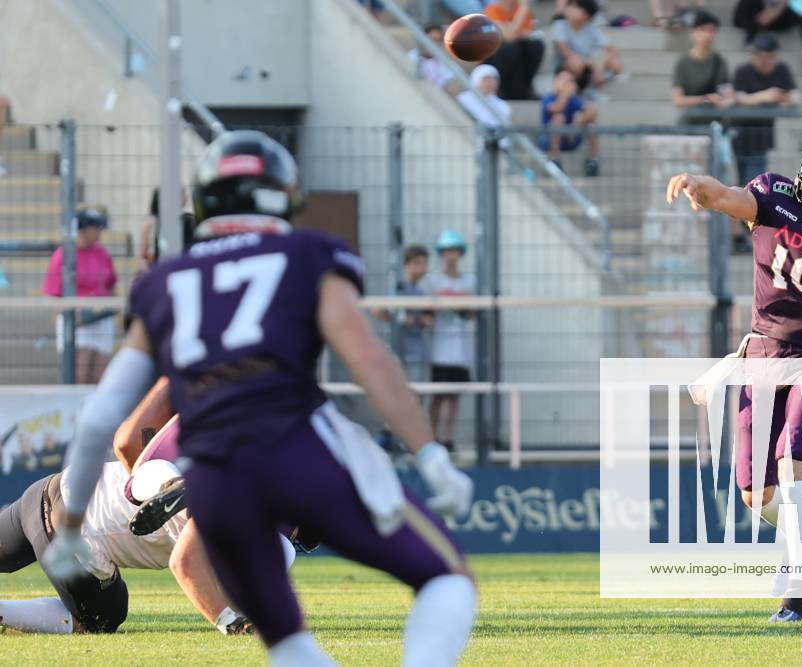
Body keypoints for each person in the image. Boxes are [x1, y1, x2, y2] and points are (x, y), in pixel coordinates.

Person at [43, 130, 476, 666]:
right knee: (448, 578)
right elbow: (368, 359)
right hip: (301, 450)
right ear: (281, 194)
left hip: (216, 478)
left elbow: (103, 418)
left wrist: (69, 525)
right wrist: (431, 454)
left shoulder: (167, 280)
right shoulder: (309, 253)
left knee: (289, 644)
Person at [667, 131, 802, 622]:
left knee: (794, 466)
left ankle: (798, 595)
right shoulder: (773, 195)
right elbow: (725, 196)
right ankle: (800, 529)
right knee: (756, 495)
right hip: (763, 352)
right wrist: (695, 183)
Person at [0, 416, 273, 635]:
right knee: (106, 617)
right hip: (73, 538)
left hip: (52, 490)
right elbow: (184, 563)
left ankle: (167, 485)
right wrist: (228, 620)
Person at [41, 207, 118, 384]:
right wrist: (73, 315)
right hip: (76, 321)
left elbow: (111, 284)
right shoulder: (63, 255)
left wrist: (108, 308)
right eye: (96, 228)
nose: (99, 232)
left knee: (101, 376)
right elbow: (50, 295)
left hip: (100, 319)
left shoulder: (102, 253)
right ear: (83, 229)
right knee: (80, 375)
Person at [422, 230, 477, 452]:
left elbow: (472, 311)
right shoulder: (432, 280)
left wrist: (450, 298)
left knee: (454, 395)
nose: (450, 256)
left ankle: (448, 437)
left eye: (454, 251)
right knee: (438, 394)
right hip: (440, 346)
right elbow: (429, 309)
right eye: (446, 251)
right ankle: (432, 436)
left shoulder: (470, 280)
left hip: (460, 347)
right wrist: (458, 298)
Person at [731, 32, 801, 188]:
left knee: (753, 183)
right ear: (753, 56)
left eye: (771, 57)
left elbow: (796, 96)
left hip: (762, 136)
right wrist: (765, 96)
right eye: (762, 57)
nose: (767, 62)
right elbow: (739, 98)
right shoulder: (743, 71)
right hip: (738, 133)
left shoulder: (782, 69)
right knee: (740, 180)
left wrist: (784, 99)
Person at [375, 245, 433, 381]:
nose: (422, 267)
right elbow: (378, 310)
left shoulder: (420, 290)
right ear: (406, 265)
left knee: (417, 394)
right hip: (400, 349)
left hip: (417, 350)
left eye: (424, 263)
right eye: (417, 262)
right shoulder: (400, 287)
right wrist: (404, 319)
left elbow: (428, 320)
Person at [671, 10, 734, 125]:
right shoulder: (683, 62)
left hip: (716, 123)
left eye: (712, 30)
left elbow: (727, 94)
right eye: (703, 30)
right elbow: (678, 100)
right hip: (689, 124)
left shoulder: (720, 61)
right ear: (693, 33)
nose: (708, 35)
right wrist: (706, 99)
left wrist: (726, 100)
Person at [539, 68, 600, 176]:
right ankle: (554, 159)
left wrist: (578, 122)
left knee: (591, 124)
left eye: (570, 81)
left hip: (569, 137)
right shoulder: (548, 97)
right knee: (558, 118)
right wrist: (564, 95)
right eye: (564, 80)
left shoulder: (573, 99)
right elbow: (556, 108)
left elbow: (592, 113)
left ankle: (593, 160)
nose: (567, 84)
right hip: (547, 140)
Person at [551, 0, 623, 91]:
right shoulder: (560, 25)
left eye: (575, 7)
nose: (569, 9)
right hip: (564, 68)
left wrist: (602, 64)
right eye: (570, 6)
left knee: (615, 63)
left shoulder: (591, 29)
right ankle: (573, 91)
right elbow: (566, 53)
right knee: (575, 62)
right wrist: (594, 66)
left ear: (586, 15)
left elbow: (612, 48)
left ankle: (590, 89)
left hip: (586, 67)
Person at [484, 0, 544, 100]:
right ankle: (501, 90)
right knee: (511, 48)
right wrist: (524, 7)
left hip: (516, 52)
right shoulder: (492, 10)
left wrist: (514, 30)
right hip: (494, 57)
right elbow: (508, 36)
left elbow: (529, 33)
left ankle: (524, 90)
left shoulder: (519, 10)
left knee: (535, 46)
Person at [457, 65, 512, 137]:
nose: (489, 83)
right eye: (486, 79)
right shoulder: (463, 99)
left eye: (493, 79)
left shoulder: (503, 106)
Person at [408, 23, 459, 96]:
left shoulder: (444, 61)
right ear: (421, 39)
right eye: (432, 39)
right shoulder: (411, 58)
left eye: (438, 40)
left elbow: (451, 87)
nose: (435, 44)